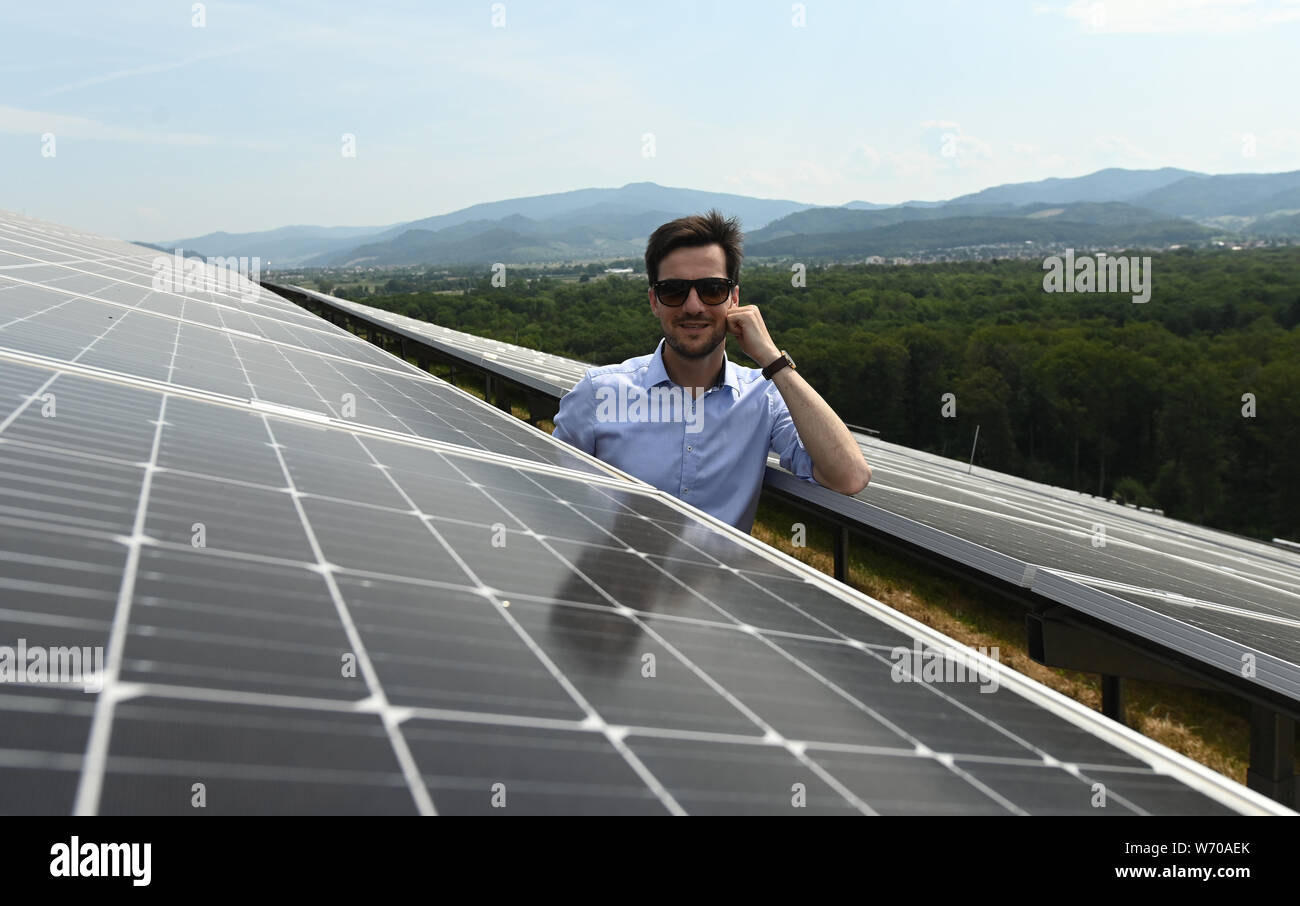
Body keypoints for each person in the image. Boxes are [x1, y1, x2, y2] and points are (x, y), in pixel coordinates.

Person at [551, 209, 871, 533]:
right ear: (654, 301)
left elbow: (849, 476)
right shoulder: (598, 394)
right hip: (609, 579)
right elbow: (549, 500)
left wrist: (773, 360)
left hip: (719, 584)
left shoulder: (764, 399)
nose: (693, 306)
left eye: (712, 289)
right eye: (674, 290)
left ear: (734, 298)